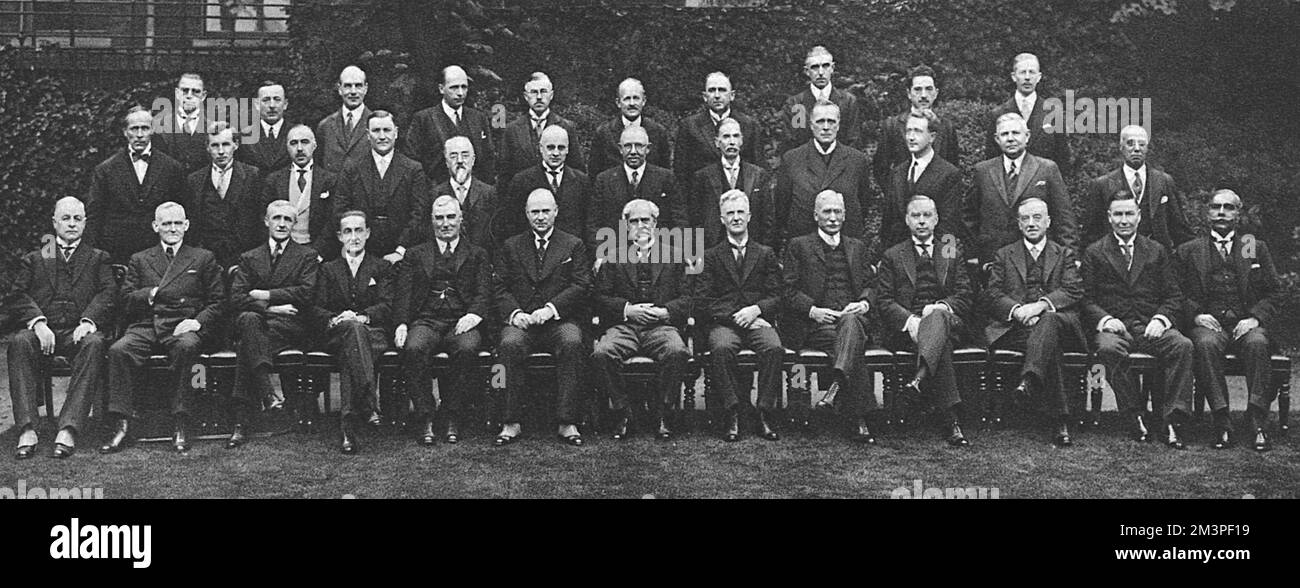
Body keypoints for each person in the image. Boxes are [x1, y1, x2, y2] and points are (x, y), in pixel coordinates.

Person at [101, 202, 224, 454]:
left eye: (178, 223)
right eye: (166, 224)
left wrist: (197, 322)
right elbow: (125, 300)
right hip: (146, 325)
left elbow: (219, 301)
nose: (172, 228)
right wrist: (151, 293)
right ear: (155, 226)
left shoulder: (202, 257)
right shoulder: (140, 259)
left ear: (186, 225)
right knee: (118, 350)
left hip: (182, 324)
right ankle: (122, 424)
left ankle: (181, 420)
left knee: (188, 347)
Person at [1081, 192, 1193, 449]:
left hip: (1150, 326)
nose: (1123, 220)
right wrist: (1105, 319)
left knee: (1182, 345)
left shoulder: (1157, 250)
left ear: (1139, 216)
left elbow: (1174, 295)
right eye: (1118, 214)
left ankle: (1171, 420)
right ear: (1109, 218)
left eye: (1129, 213)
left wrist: (1161, 319)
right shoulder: (1095, 252)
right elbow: (1086, 299)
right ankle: (1135, 415)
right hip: (1115, 328)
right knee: (1108, 348)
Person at [7, 197, 115, 459]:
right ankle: (28, 428)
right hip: (44, 332)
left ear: (85, 223)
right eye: (65, 218)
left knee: (96, 343)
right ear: (54, 222)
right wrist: (38, 322)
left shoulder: (98, 257)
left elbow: (109, 292)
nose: (71, 224)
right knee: (19, 342)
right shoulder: (38, 256)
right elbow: (16, 295)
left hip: (79, 332)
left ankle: (68, 427)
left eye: (77, 219)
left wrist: (89, 321)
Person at [1175, 189, 1281, 451]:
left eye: (1228, 208)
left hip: (1246, 324)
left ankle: (1257, 421)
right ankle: (1222, 421)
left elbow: (1275, 291)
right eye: (1215, 207)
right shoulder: (1190, 250)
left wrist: (1256, 318)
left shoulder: (1250, 246)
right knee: (1205, 344)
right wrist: (1197, 315)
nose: (1221, 212)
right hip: (1209, 324)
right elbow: (1175, 293)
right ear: (1207, 212)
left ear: (1239, 212)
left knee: (1257, 343)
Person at [984, 197, 1087, 446]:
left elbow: (1073, 290)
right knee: (1049, 347)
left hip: (1059, 323)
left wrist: (1040, 306)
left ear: (1048, 222)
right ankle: (1060, 420)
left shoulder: (1064, 254)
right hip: (1016, 328)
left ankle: (1029, 379)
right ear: (1019, 224)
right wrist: (1018, 310)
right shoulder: (1004, 255)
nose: (1032, 223)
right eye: (1026, 219)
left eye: (1037, 218)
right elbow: (993, 294)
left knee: (1049, 321)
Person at [494, 189, 593, 446]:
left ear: (556, 212)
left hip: (558, 320)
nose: (540, 217)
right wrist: (515, 314)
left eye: (545, 211)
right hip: (522, 322)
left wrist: (550, 309)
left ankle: (567, 420)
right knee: (508, 345)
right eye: (535, 212)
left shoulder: (573, 244)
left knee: (573, 342)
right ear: (526, 214)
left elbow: (581, 285)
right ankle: (509, 420)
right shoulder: (511, 246)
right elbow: (499, 287)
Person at [392, 196, 493, 446]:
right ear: (431, 221)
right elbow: (403, 293)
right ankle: (425, 415)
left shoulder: (477, 253)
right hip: (426, 320)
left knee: (468, 348)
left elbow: (485, 292)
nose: (445, 223)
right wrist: (402, 323)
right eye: (439, 218)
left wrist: (473, 315)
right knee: (414, 348)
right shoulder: (416, 254)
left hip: (462, 319)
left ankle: (453, 415)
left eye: (450, 217)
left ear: (461, 219)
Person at [877, 195, 975, 447]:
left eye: (927, 215)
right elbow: (885, 301)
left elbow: (964, 293)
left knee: (938, 317)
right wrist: (910, 321)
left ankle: (919, 379)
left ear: (937, 219)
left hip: (948, 321)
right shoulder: (893, 254)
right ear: (907, 220)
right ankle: (951, 419)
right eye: (916, 216)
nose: (922, 221)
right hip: (909, 329)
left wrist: (940, 307)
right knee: (940, 347)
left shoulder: (949, 245)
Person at [781, 191, 878, 444]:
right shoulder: (798, 246)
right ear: (815, 216)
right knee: (849, 342)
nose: (833, 217)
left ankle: (834, 390)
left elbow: (871, 285)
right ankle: (858, 418)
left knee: (850, 325)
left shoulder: (857, 246)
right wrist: (813, 310)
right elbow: (787, 290)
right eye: (827, 212)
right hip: (817, 324)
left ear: (845, 216)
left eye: (837, 212)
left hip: (853, 318)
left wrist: (864, 303)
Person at [592, 199, 692, 441]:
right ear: (626, 226)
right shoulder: (612, 258)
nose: (640, 225)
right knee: (602, 353)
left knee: (677, 351)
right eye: (634, 221)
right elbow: (600, 298)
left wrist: (665, 311)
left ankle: (664, 413)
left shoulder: (676, 257)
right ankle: (623, 412)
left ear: (655, 223)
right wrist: (627, 309)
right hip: (625, 327)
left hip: (661, 326)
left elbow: (689, 297)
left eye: (645, 220)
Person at [226, 200, 320, 449]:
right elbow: (236, 297)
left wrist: (264, 295)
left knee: (248, 335)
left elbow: (306, 294)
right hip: (262, 321)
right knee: (247, 321)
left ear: (295, 224)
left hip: (290, 326)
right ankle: (266, 392)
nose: (281, 224)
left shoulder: (307, 256)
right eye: (276, 218)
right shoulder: (249, 257)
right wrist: (273, 306)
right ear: (266, 221)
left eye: (287, 219)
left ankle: (242, 420)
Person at [695, 190, 784, 442]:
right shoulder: (710, 256)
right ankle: (732, 411)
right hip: (725, 323)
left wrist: (756, 310)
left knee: (774, 348)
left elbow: (777, 295)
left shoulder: (765, 253)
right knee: (722, 347)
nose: (736, 218)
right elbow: (702, 301)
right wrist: (737, 316)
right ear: (722, 219)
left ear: (749, 216)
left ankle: (764, 412)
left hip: (758, 320)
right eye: (730, 214)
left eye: (740, 213)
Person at [312, 210, 392, 454]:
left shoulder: (381, 266)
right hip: (338, 333)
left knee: (353, 349)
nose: (354, 237)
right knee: (351, 336)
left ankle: (348, 428)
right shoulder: (328, 269)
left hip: (372, 334)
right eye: (348, 231)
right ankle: (369, 403)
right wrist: (336, 318)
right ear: (339, 236)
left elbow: (388, 304)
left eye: (359, 230)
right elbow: (316, 307)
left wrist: (362, 317)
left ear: (368, 233)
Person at [963, 112, 1076, 269]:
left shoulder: (1047, 168)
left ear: (1027, 136)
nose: (1010, 138)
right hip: (993, 259)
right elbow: (970, 217)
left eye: (1015, 133)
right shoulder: (982, 171)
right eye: (1004, 134)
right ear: (997, 139)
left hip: (1036, 257)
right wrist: (973, 254)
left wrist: (1070, 257)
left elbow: (1063, 217)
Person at [85, 105, 190, 264]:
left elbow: (186, 211)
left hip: (161, 253)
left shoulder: (172, 168)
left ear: (152, 130)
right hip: (118, 253)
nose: (139, 135)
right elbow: (95, 216)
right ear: (125, 132)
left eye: (144, 128)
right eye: (134, 129)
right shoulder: (105, 170)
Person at [772, 101, 873, 251]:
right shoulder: (792, 159)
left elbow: (863, 203)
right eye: (820, 121)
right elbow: (782, 208)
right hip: (805, 247)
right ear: (811, 125)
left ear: (838, 125)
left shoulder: (856, 160)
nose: (826, 127)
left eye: (831, 121)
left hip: (845, 246)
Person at [335, 110, 430, 262]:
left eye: (387, 130)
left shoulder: (413, 169)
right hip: (361, 251)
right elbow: (341, 209)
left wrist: (400, 250)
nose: (382, 136)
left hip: (402, 253)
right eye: (376, 131)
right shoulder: (352, 167)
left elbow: (419, 213)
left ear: (396, 133)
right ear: (367, 134)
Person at [1083, 125, 1192, 250]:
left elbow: (1179, 227)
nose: (1136, 149)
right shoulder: (1103, 184)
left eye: (1142, 144)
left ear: (1147, 148)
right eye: (1130, 144)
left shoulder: (1164, 181)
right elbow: (1092, 231)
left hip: (1158, 259)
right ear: (1121, 147)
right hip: (1117, 258)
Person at [588, 125, 685, 247]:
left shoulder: (666, 178)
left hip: (658, 256)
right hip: (616, 256)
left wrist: (671, 255)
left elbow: (679, 222)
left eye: (639, 146)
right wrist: (603, 255)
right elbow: (593, 225)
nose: (633, 151)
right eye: (628, 146)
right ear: (620, 149)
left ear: (648, 148)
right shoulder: (604, 180)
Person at [186, 121, 267, 269]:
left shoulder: (252, 175)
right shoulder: (195, 180)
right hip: (207, 258)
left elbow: (259, 219)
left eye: (226, 144)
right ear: (207, 148)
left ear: (235, 145)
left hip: (243, 256)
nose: (221, 151)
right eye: (215, 145)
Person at [879, 112, 962, 251]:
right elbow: (889, 222)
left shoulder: (949, 174)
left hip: (931, 257)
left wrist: (945, 261)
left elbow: (949, 225)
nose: (911, 137)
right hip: (898, 258)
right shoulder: (897, 173)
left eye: (917, 131)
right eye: (908, 131)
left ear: (932, 137)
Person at [873, 65, 960, 191]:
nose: (923, 95)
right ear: (909, 93)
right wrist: (897, 196)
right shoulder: (892, 126)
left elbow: (953, 168)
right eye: (918, 89)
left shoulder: (946, 127)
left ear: (936, 93)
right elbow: (881, 169)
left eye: (929, 89)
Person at [403, 65, 495, 184]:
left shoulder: (478, 118)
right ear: (441, 89)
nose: (460, 93)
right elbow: (412, 161)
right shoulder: (423, 119)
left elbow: (488, 159)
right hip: (436, 193)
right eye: (454, 88)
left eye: (464, 87)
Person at [689, 118, 773, 248]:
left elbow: (767, 218)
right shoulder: (703, 177)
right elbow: (696, 219)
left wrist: (763, 248)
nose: (732, 142)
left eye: (736, 136)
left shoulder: (758, 175)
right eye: (726, 137)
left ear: (741, 141)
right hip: (714, 250)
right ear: (717, 142)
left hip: (752, 249)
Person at [984, 53, 1071, 176]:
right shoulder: (998, 114)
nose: (1027, 77)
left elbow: (1062, 159)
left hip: (1042, 187)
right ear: (1014, 77)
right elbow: (992, 159)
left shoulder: (1053, 113)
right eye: (1022, 72)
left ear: (1039, 77)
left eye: (1032, 72)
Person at [673, 71, 764, 189]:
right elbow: (681, 172)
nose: (717, 95)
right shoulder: (690, 126)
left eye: (722, 90)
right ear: (705, 96)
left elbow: (759, 169)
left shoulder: (749, 125)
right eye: (711, 90)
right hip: (702, 199)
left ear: (732, 95)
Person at [501, 124, 590, 244]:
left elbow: (588, 224)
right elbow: (512, 224)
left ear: (568, 149)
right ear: (541, 148)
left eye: (561, 148)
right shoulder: (521, 181)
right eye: (551, 147)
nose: (556, 153)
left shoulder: (582, 181)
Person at [411, 135, 497, 252]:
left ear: (473, 160)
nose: (460, 161)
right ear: (446, 162)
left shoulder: (490, 194)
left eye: (465, 155)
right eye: (453, 156)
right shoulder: (433, 195)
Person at [264, 125, 338, 260]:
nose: (299, 149)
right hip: (283, 251)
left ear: (314, 145)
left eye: (305, 142)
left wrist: (318, 253)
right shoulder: (274, 180)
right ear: (287, 147)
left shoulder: (330, 180)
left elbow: (332, 220)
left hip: (317, 252)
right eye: (293, 143)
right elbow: (265, 219)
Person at [496, 71, 582, 185]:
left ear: (551, 95)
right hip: (523, 196)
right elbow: (505, 175)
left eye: (543, 91)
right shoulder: (512, 130)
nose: (539, 97)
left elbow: (576, 169)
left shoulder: (566, 127)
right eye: (534, 92)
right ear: (526, 96)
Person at [781, 45, 861, 153]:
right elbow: (792, 142)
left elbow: (853, 139)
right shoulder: (796, 104)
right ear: (806, 71)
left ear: (832, 68)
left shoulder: (848, 101)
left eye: (825, 66)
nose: (820, 72)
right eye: (815, 67)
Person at [587, 77, 672, 176]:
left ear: (643, 101)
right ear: (618, 103)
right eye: (627, 99)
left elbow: (666, 174)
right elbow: (594, 175)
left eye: (636, 98)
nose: (632, 103)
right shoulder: (604, 133)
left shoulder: (658, 132)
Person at [314, 65, 373, 174]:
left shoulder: (377, 125)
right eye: (348, 86)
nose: (353, 91)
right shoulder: (325, 126)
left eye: (358, 86)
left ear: (366, 88)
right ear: (339, 89)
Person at [153, 72, 212, 175]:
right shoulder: (158, 125)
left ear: (203, 96)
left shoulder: (213, 128)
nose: (189, 96)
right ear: (177, 93)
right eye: (185, 90)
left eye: (196, 92)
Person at [235, 80, 293, 179]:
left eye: (277, 99)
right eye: (266, 100)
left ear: (285, 104)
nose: (272, 105)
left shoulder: (296, 134)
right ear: (256, 104)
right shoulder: (244, 136)